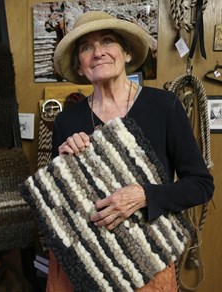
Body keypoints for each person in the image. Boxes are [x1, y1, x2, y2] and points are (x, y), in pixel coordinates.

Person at [47, 11, 214, 291]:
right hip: (84, 261)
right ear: (80, 67)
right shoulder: (68, 120)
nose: (98, 52)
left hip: (146, 260)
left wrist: (145, 195)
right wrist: (62, 166)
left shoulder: (164, 107)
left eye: (107, 41)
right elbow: (56, 206)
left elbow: (201, 185)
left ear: (126, 54)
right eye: (86, 47)